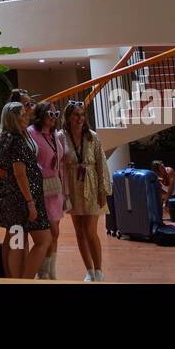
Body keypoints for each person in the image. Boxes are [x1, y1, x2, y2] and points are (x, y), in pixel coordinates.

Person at [0, 101, 51, 279]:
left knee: (17, 241)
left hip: (13, 196)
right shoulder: (16, 140)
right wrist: (30, 203)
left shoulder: (3, 136)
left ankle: (16, 280)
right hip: (22, 199)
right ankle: (24, 280)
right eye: (22, 115)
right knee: (43, 240)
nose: (27, 117)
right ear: (13, 118)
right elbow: (20, 174)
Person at [62, 100, 110, 282]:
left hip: (91, 183)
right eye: (76, 115)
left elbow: (101, 164)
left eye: (82, 115)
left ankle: (99, 270)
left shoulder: (92, 137)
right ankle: (89, 270)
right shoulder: (61, 136)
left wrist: (103, 191)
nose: (80, 118)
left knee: (90, 231)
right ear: (68, 117)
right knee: (79, 232)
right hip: (72, 186)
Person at [28, 101, 67, 279]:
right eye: (50, 114)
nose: (53, 118)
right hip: (41, 189)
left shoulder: (55, 136)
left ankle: (50, 271)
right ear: (41, 115)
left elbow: (62, 163)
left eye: (55, 114)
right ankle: (43, 271)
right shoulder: (31, 133)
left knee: (55, 234)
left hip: (56, 188)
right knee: (52, 232)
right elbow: (28, 162)